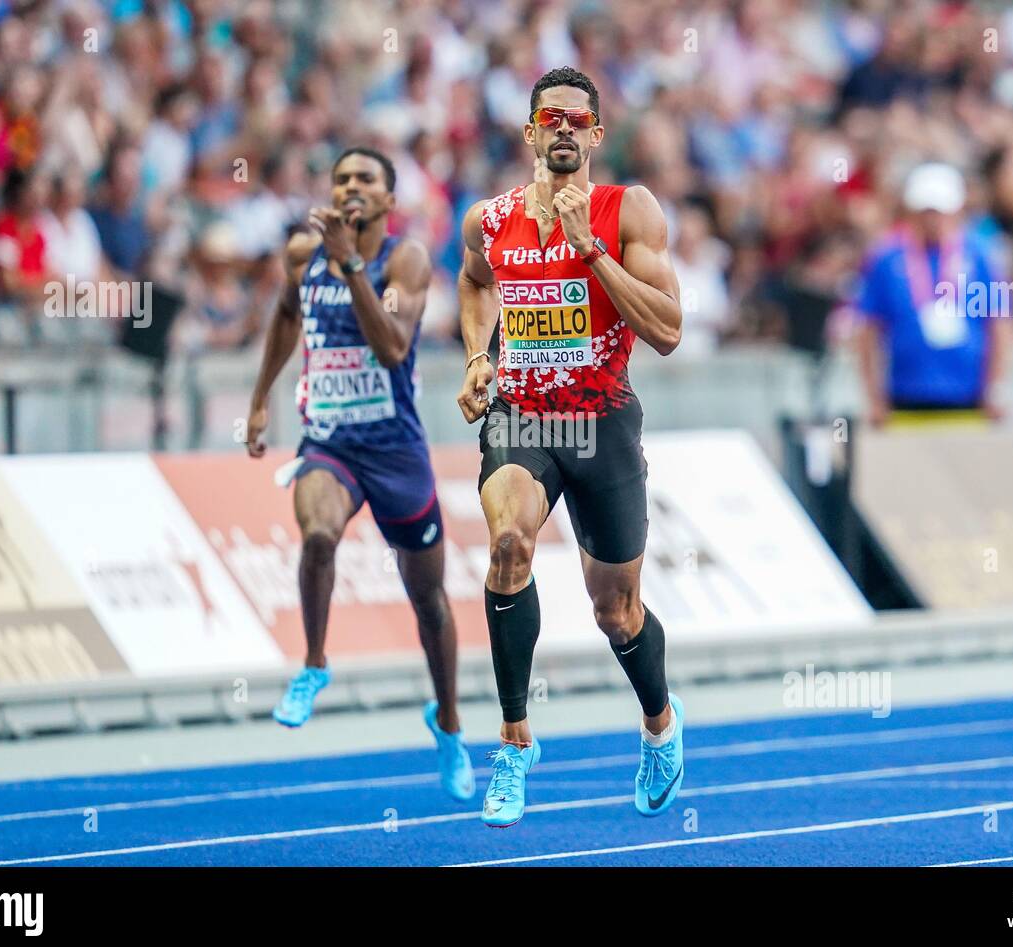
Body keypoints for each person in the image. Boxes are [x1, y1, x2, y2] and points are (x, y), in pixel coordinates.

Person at [456, 66, 685, 828]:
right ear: (529, 131)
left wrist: (593, 253)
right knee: (509, 546)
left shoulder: (629, 211)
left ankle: (658, 723)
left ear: (594, 134)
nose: (561, 128)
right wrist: (478, 356)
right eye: (547, 117)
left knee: (615, 612)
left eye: (575, 119)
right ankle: (515, 745)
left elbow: (667, 331)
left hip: (602, 420)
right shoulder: (488, 220)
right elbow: (473, 283)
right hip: (523, 418)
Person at [245, 147, 473, 802]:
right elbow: (288, 315)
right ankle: (315, 664)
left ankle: (450, 723)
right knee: (317, 532)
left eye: (365, 179)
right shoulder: (300, 254)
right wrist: (261, 397)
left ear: (387, 201)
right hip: (332, 442)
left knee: (427, 599)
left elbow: (392, 345)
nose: (350, 187)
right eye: (341, 177)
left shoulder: (404, 261)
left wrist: (349, 266)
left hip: (397, 451)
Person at [856, 162, 1013, 428]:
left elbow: (1000, 325)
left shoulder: (980, 256)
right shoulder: (886, 259)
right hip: (903, 398)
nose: (932, 220)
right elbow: (867, 330)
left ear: (956, 211)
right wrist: (873, 398)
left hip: (969, 398)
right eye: (925, 212)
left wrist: (995, 389)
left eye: (939, 212)